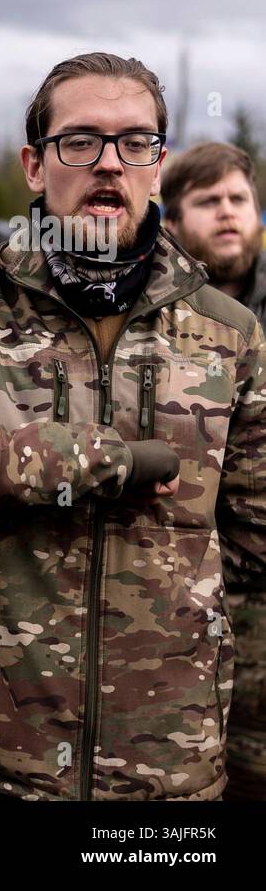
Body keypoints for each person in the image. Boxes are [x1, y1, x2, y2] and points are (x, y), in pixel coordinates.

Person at [0, 52, 266, 800]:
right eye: (79, 141)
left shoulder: (230, 333)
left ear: (158, 163)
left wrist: (173, 609)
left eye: (134, 142)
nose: (108, 163)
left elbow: (253, 533)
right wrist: (92, 457)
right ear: (34, 167)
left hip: (163, 765)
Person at [161, 141, 266, 799]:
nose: (228, 214)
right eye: (208, 202)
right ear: (171, 222)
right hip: (173, 599)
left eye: (239, 200)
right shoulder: (150, 319)